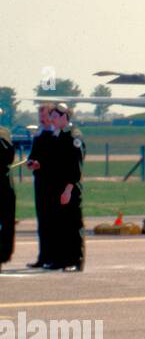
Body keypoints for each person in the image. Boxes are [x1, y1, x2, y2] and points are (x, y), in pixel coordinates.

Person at [45, 104, 85, 272]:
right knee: (59, 225)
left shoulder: (74, 136)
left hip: (70, 188)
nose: (51, 120)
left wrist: (68, 189)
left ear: (64, 117)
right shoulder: (60, 136)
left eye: (54, 116)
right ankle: (61, 259)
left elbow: (76, 166)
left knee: (73, 225)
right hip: (58, 187)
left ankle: (77, 260)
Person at [24, 103, 56, 269]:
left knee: (53, 221)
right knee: (42, 221)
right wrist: (31, 162)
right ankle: (43, 256)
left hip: (53, 183)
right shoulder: (39, 135)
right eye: (40, 117)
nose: (42, 119)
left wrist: (41, 164)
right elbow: (33, 155)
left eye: (44, 116)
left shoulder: (56, 136)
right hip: (40, 183)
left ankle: (54, 257)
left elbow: (57, 160)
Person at [0, 127, 15, 271]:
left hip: (2, 184)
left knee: (6, 222)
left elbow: (8, 156)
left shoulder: (3, 134)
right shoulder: (5, 133)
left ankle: (3, 254)